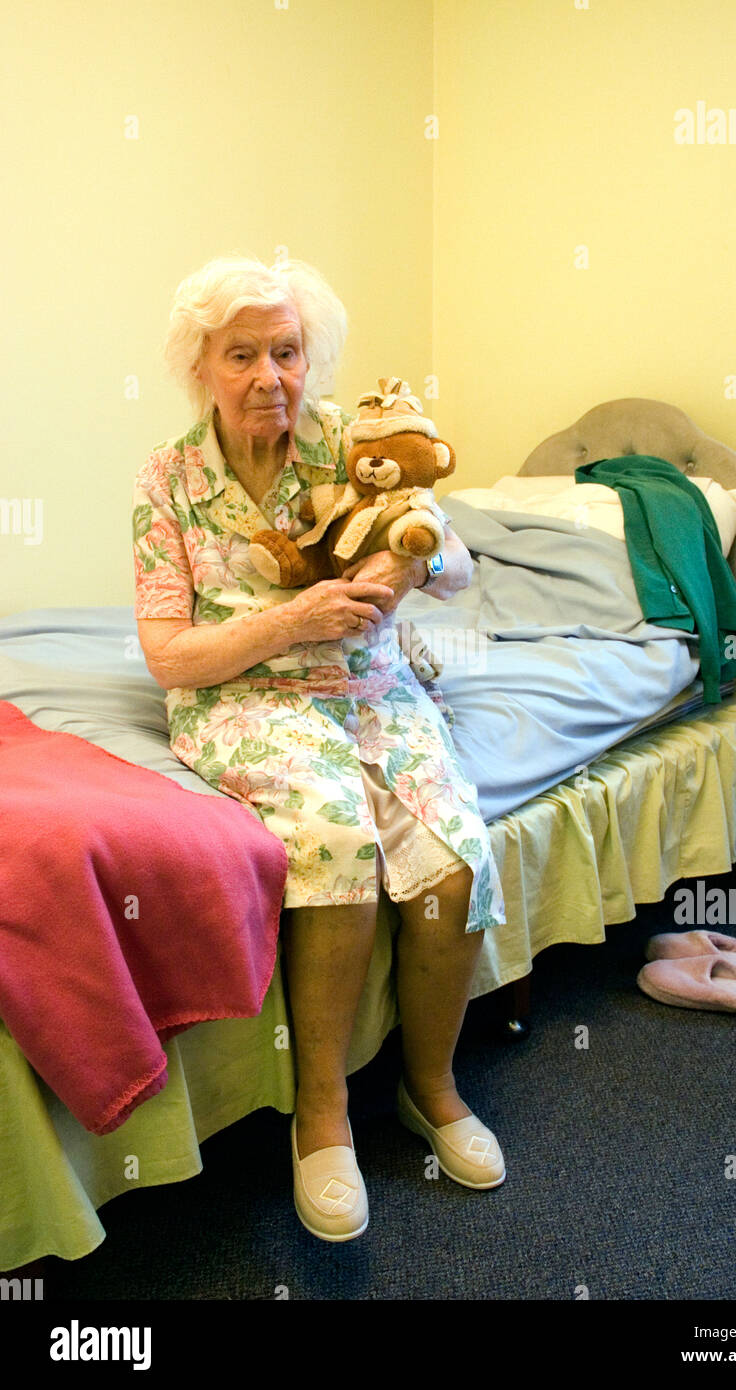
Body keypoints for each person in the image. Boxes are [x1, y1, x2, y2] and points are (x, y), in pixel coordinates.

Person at [132, 255, 508, 1242]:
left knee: (457, 857)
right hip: (244, 693)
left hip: (376, 686)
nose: (269, 375)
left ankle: (431, 1085)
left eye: (287, 351)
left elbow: (458, 567)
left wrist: (414, 554)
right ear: (202, 367)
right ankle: (324, 1114)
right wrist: (293, 617)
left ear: (312, 358)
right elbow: (169, 655)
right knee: (335, 842)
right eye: (242, 354)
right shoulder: (168, 481)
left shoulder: (355, 443)